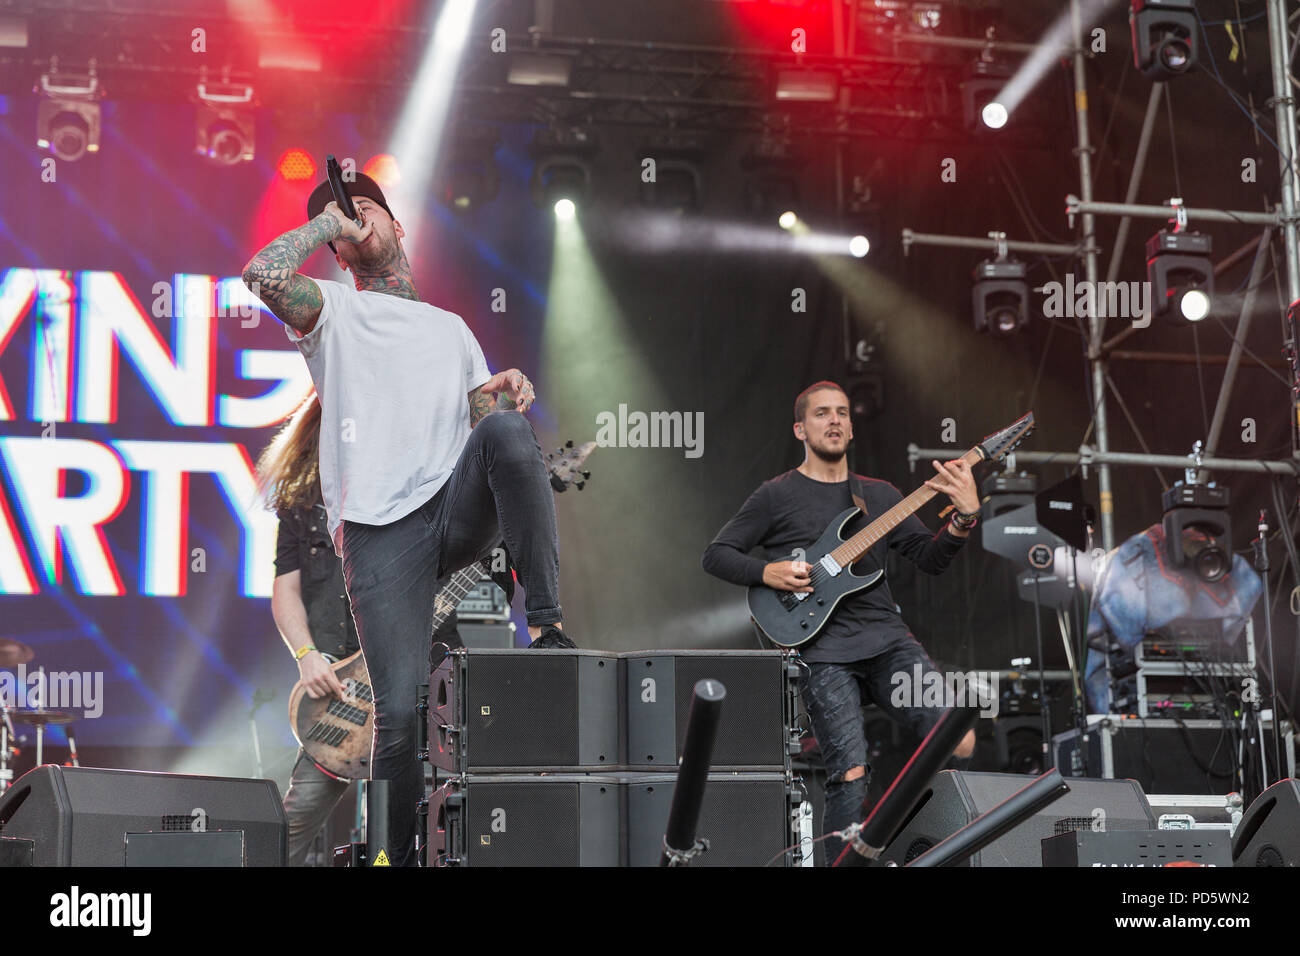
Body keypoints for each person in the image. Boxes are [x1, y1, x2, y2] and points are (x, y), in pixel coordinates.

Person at [242, 173, 571, 866]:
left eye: (368, 210)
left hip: (448, 510)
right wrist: (327, 224)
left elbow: (489, 441)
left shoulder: (452, 331)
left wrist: (499, 395)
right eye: (343, 217)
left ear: (398, 227)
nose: (356, 219)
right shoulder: (331, 309)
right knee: (399, 717)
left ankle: (547, 627)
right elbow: (262, 272)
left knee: (512, 433)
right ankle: (394, 858)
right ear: (337, 248)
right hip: (378, 533)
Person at [702, 381, 978, 861]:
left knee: (960, 741)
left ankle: (931, 843)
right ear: (800, 428)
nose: (834, 420)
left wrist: (963, 520)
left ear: (851, 426)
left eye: (843, 413)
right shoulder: (776, 495)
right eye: (822, 413)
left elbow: (931, 559)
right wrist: (768, 571)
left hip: (888, 641)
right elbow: (717, 555)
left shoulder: (881, 494)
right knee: (849, 774)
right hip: (823, 652)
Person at [257, 393, 463, 865]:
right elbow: (285, 588)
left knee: (427, 828)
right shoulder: (302, 495)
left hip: (415, 691)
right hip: (338, 694)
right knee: (287, 832)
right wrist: (306, 654)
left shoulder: (418, 486)